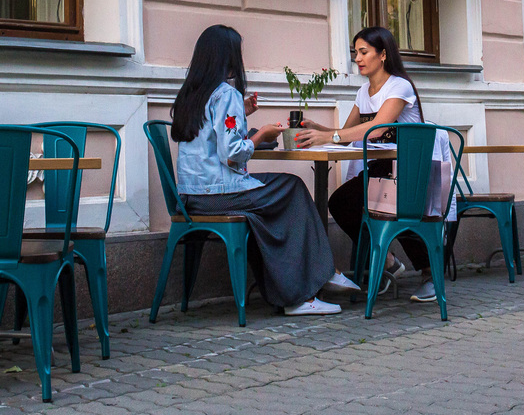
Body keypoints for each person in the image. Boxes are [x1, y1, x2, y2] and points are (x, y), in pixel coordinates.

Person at [171, 25, 357, 315]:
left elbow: (211, 136)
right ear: (228, 57)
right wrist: (262, 135)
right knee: (293, 188)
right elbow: (232, 154)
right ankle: (305, 291)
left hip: (192, 196)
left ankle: (306, 283)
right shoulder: (226, 94)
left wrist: (240, 115)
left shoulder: (192, 94)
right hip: (219, 194)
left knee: (277, 200)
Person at [295, 26, 455, 304]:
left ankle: (430, 274)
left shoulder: (399, 86)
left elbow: (379, 128)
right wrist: (316, 129)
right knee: (342, 204)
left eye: (363, 52)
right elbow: (346, 136)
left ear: (382, 55)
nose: (357, 58)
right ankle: (389, 261)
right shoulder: (363, 92)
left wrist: (328, 135)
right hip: (382, 169)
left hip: (412, 168)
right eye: (355, 52)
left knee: (401, 215)